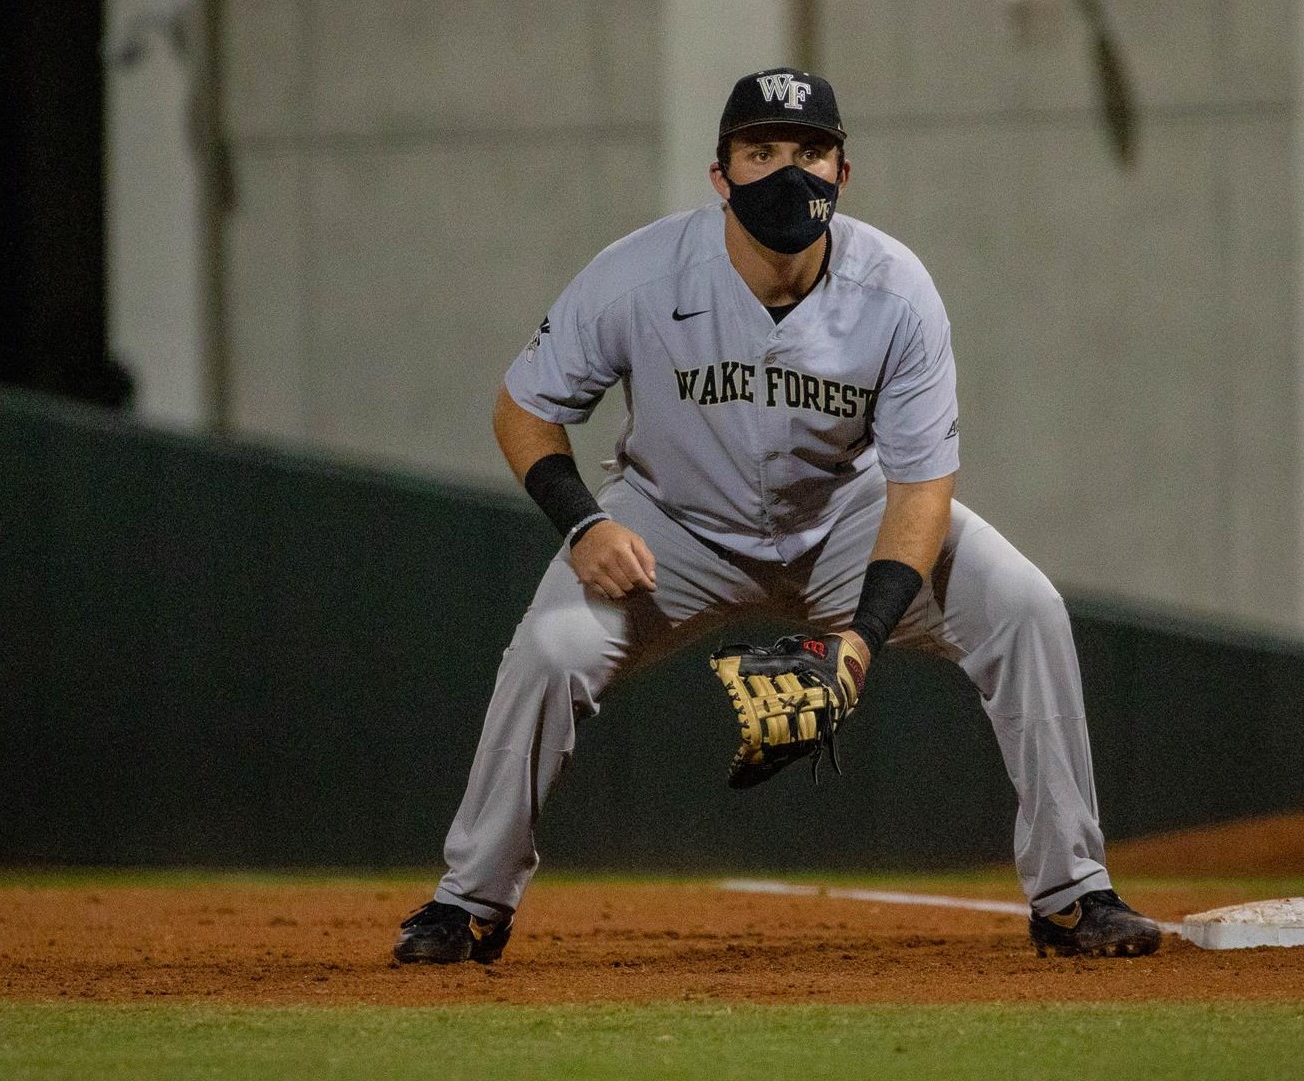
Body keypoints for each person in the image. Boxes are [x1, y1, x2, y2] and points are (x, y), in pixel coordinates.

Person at [391, 68, 1161, 963]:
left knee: (1026, 608)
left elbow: (920, 491)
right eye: (760, 152)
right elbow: (522, 408)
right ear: (719, 175)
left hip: (845, 519)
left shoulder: (897, 291)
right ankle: (470, 901)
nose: (787, 174)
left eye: (810, 152)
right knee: (550, 651)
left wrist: (865, 634)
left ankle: (1072, 893)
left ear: (843, 171)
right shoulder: (638, 273)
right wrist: (583, 524)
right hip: (671, 524)